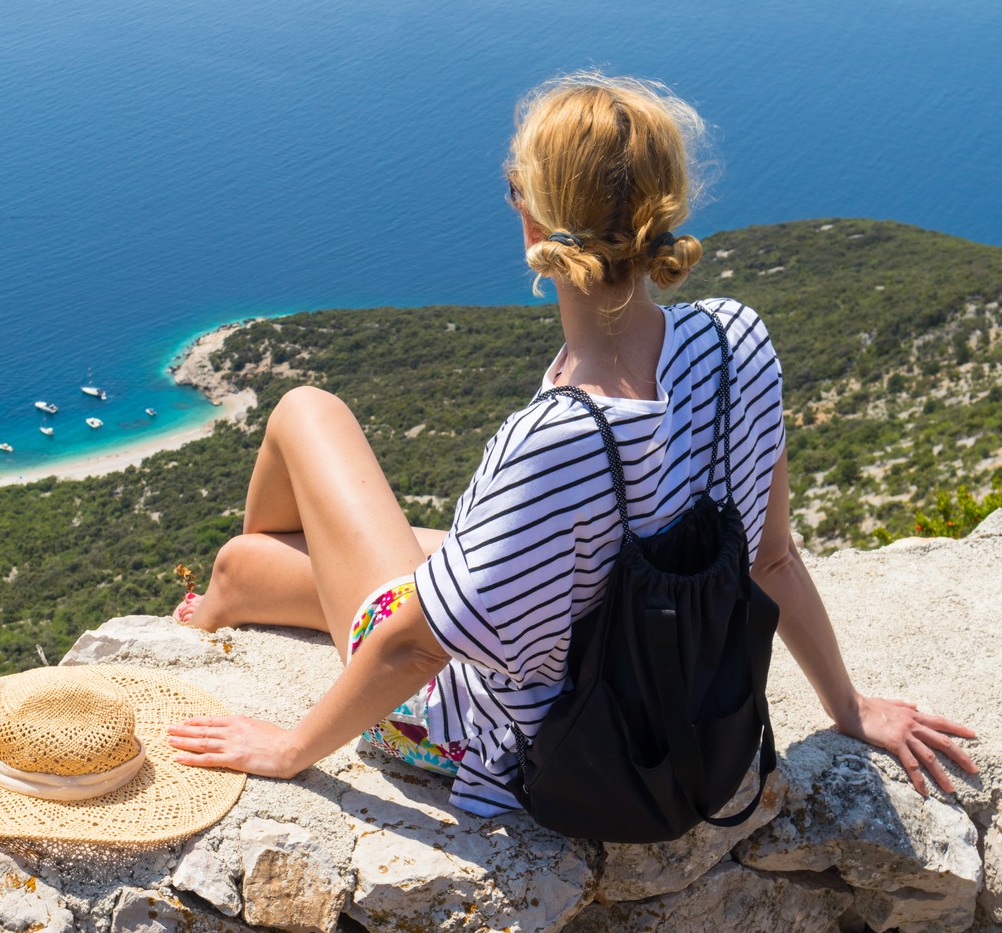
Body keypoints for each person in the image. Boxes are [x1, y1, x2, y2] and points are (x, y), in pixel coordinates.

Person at [164, 72, 976, 816]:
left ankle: (235, 582)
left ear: (533, 223)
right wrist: (850, 706)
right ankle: (242, 583)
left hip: (496, 736)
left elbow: (412, 650)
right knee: (433, 552)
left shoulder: (550, 443)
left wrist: (291, 748)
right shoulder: (740, 343)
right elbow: (772, 559)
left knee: (306, 411)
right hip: (677, 710)